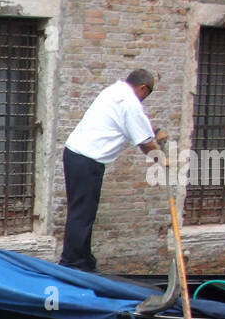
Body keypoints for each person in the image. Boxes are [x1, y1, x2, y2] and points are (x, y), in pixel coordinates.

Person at [59, 68, 165, 271]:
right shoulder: (129, 102)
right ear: (143, 88)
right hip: (87, 159)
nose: (144, 99)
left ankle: (82, 259)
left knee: (83, 212)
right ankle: (72, 263)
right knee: (82, 213)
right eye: (148, 94)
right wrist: (163, 160)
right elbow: (145, 143)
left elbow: (133, 121)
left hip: (75, 154)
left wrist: (156, 130)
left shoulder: (115, 91)